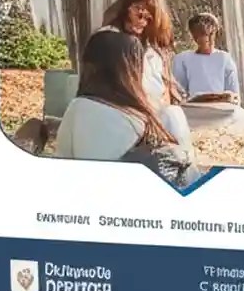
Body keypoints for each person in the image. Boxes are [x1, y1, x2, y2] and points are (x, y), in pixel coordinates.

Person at [55, 31, 205, 189]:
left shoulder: (76, 108)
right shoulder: (138, 119)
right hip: (132, 198)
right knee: (173, 114)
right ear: (131, 69)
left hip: (88, 198)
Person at [100, 0, 191, 146]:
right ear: (125, 9)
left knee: (173, 114)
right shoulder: (109, 39)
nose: (142, 21)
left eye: (148, 18)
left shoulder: (153, 51)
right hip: (121, 116)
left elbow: (164, 95)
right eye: (139, 13)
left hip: (152, 119)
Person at [172, 13, 240, 103]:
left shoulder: (224, 59)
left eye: (212, 34)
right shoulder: (182, 60)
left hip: (221, 110)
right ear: (195, 37)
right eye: (204, 35)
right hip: (193, 111)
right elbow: (178, 93)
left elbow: (234, 94)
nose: (210, 39)